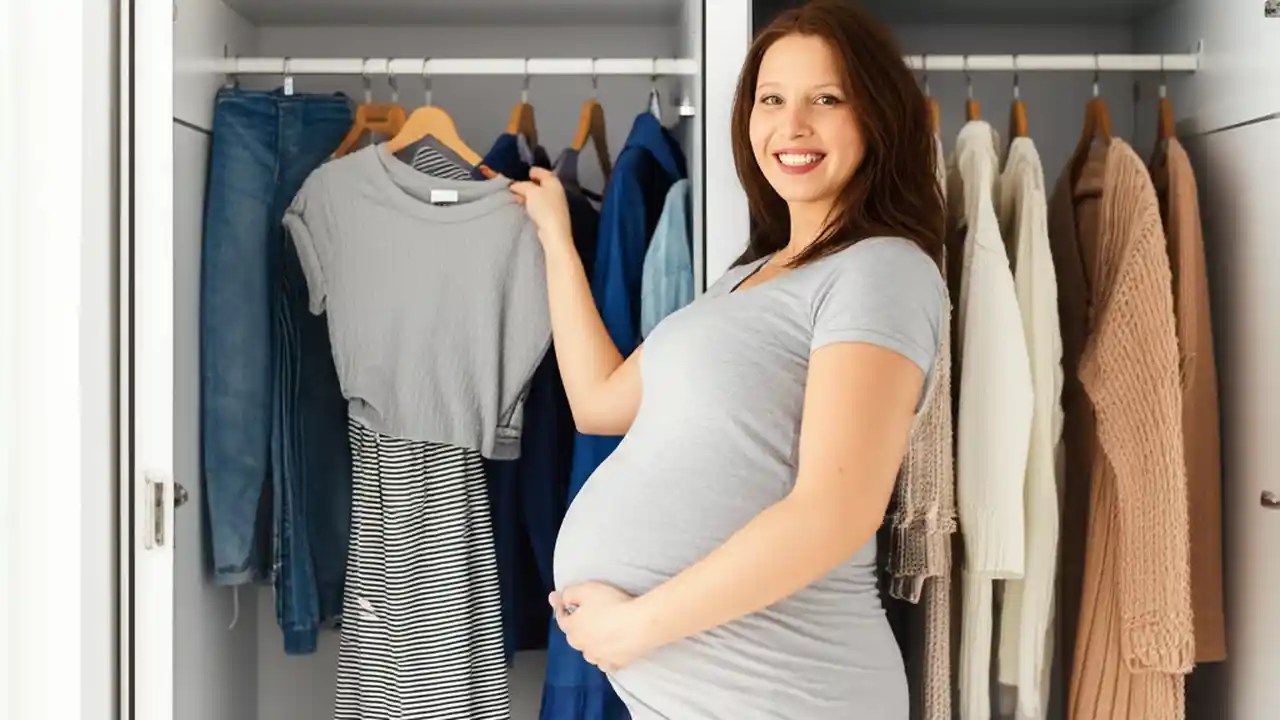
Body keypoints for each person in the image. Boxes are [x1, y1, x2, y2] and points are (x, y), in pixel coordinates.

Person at [510, 1, 945, 717]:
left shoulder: (881, 270)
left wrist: (635, 627)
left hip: (792, 691)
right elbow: (599, 402)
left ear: (878, 117)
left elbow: (836, 511)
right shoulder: (748, 276)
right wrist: (558, 238)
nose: (792, 125)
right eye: (771, 99)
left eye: (826, 99)